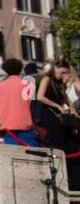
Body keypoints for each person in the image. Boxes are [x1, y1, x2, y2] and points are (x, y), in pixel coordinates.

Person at [34, 59, 80, 188]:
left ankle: (76, 184)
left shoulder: (59, 83)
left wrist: (71, 108)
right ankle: (66, 183)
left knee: (71, 147)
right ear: (56, 68)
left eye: (66, 72)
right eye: (63, 71)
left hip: (62, 119)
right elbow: (40, 97)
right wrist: (58, 106)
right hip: (51, 117)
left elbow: (66, 98)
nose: (64, 74)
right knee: (61, 147)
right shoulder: (47, 79)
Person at [0, 58, 39, 147]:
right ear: (20, 69)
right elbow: (33, 105)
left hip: (5, 128)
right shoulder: (27, 85)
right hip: (25, 127)